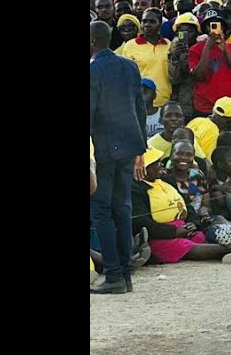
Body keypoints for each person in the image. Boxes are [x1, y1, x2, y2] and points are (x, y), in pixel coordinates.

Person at [90, 20, 148, 294]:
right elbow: (140, 108)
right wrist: (141, 148)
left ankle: (113, 276)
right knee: (122, 209)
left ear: (92, 41)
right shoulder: (129, 66)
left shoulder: (92, 70)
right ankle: (125, 275)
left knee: (101, 211)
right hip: (128, 147)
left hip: (102, 151)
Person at [130, 148, 231, 266]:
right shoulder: (135, 189)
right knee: (186, 246)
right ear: (143, 168)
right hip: (161, 236)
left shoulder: (166, 181)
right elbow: (142, 223)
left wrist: (192, 223)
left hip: (183, 228)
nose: (161, 165)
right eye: (156, 163)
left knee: (203, 236)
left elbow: (186, 206)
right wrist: (176, 232)